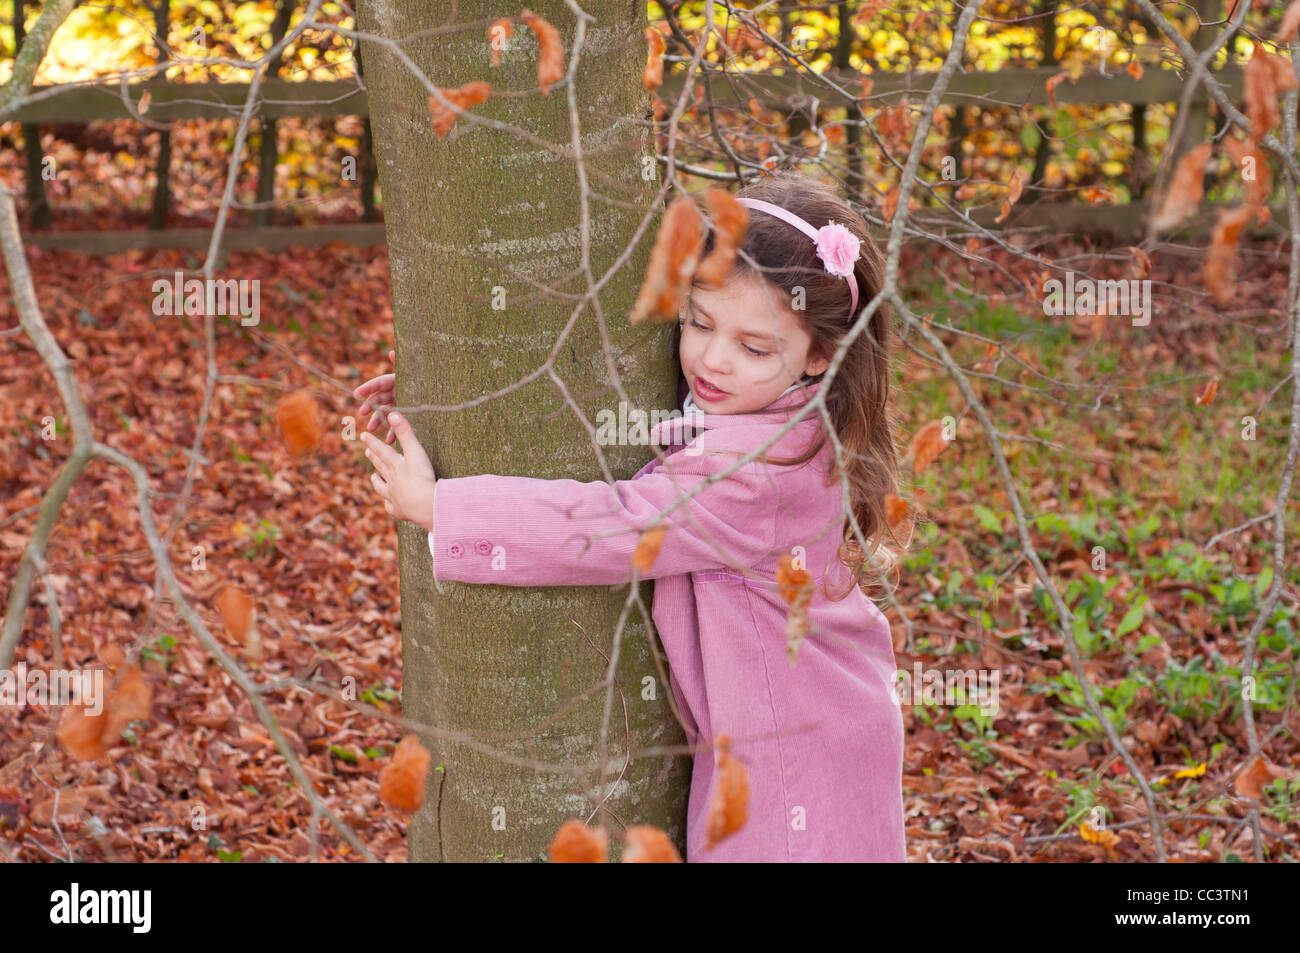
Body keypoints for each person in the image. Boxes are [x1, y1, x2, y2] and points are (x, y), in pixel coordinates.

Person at [354, 170, 909, 862]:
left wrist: (443, 508)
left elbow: (614, 525)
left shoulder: (758, 473)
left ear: (820, 355)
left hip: (795, 752)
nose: (713, 358)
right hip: (821, 716)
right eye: (699, 323)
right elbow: (648, 411)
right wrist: (455, 395)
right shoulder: (775, 411)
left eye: (754, 347)